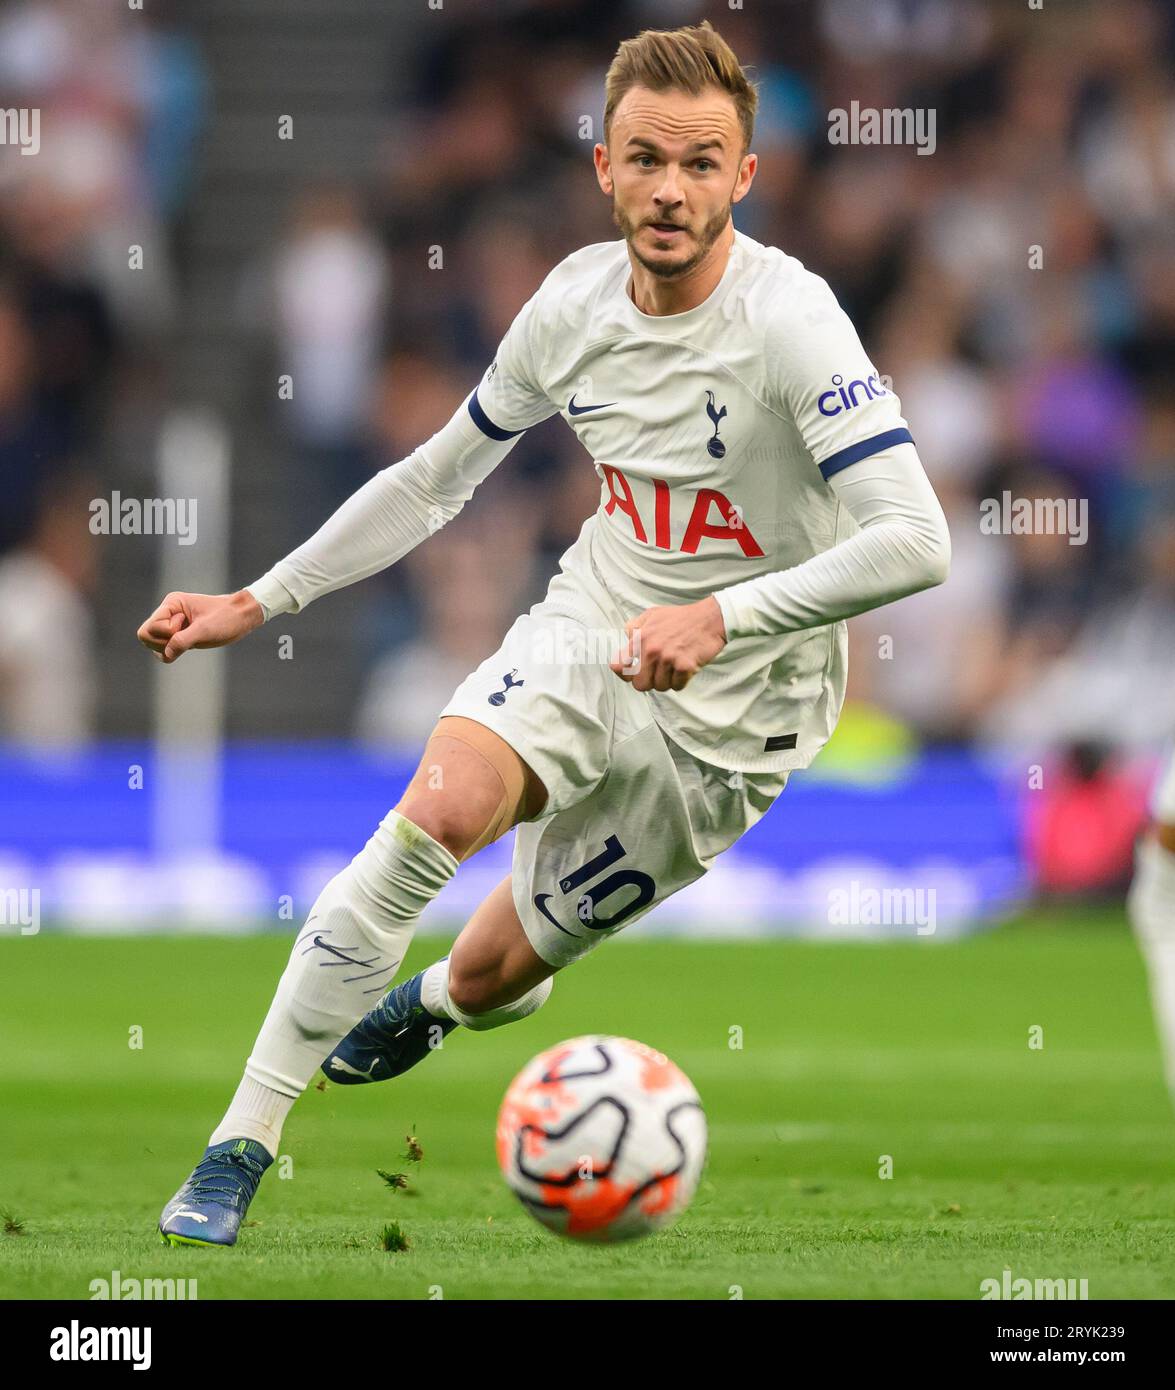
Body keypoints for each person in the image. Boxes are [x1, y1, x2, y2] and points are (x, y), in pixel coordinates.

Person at [138, 21, 950, 1247]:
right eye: (642, 159)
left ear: (743, 175)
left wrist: (720, 616)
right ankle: (239, 1142)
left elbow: (914, 541)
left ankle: (433, 1003)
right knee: (438, 810)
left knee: (487, 975)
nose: (667, 189)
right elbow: (431, 480)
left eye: (698, 163)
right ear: (603, 169)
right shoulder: (568, 305)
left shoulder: (793, 320)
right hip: (593, 626)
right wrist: (262, 599)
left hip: (741, 719)